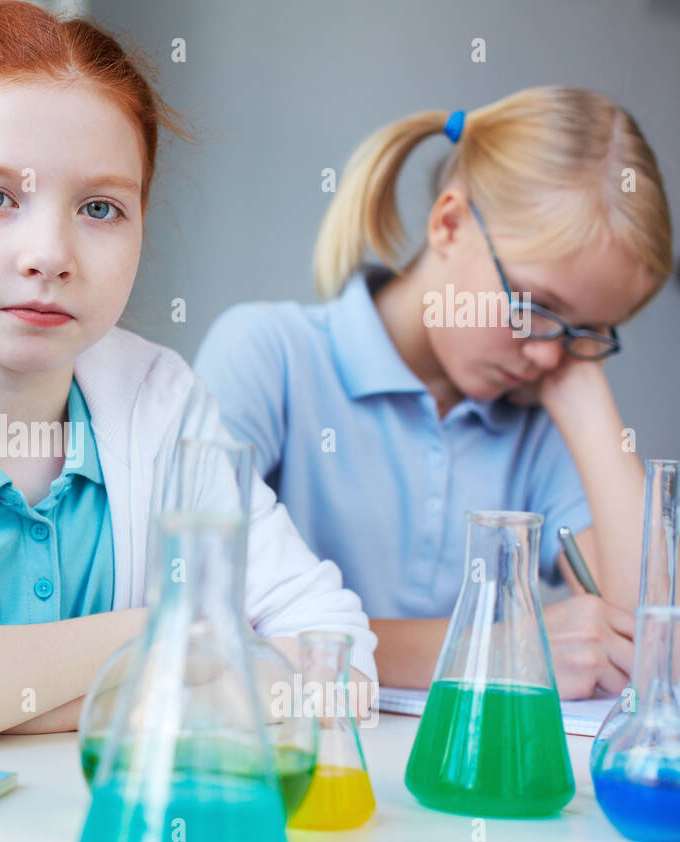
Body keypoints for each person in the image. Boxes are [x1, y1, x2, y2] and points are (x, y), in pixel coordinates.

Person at [0, 0, 375, 755]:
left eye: (100, 207)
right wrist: (170, 632)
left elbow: (335, 656)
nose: (49, 252)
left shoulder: (166, 404)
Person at [195, 86, 673, 697]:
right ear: (449, 224)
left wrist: (586, 394)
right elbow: (197, 613)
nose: (549, 353)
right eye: (537, 307)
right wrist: (494, 649)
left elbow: (656, 651)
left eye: (587, 331)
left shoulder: (542, 410)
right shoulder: (268, 354)